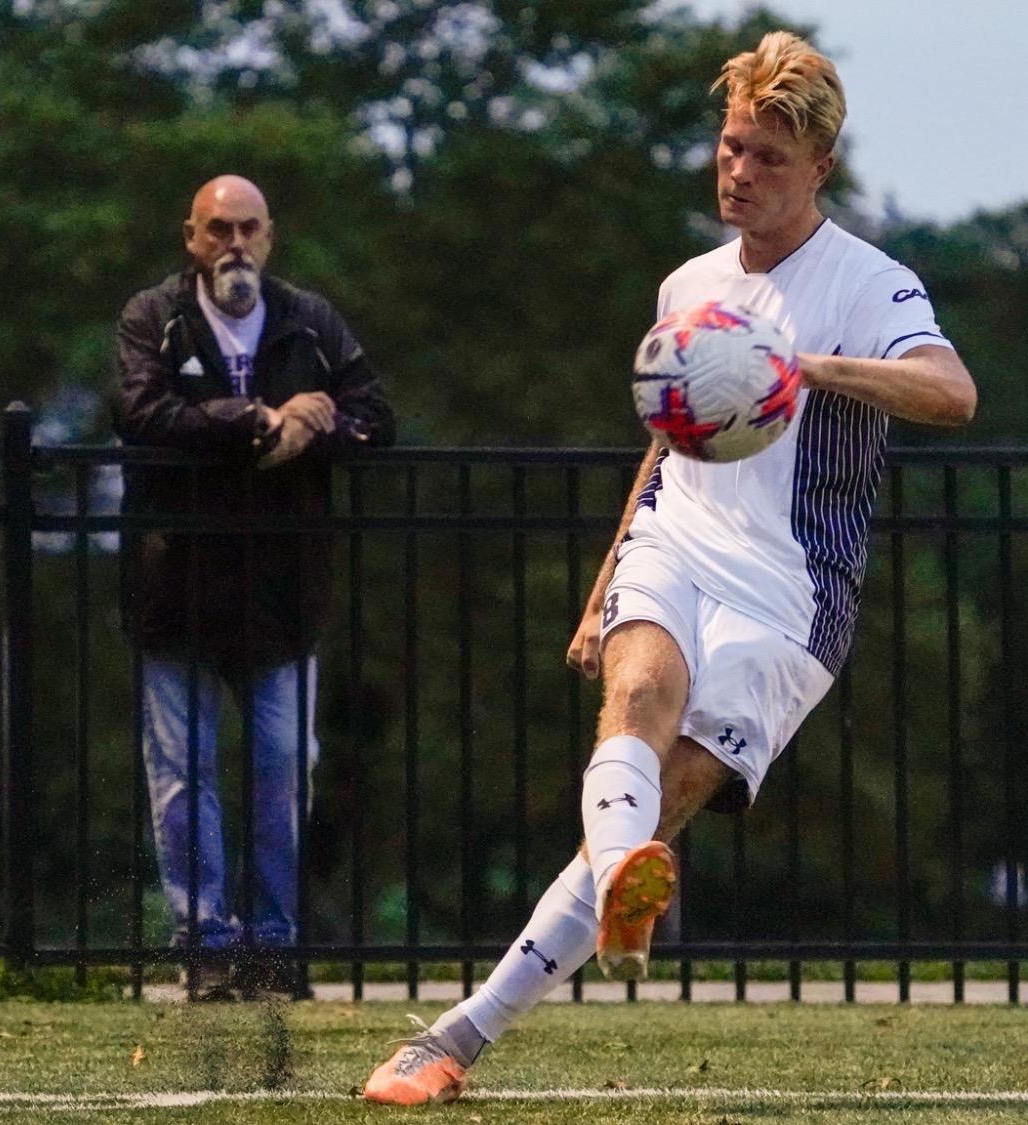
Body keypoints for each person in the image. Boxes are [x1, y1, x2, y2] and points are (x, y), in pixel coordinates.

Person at [364, 31, 977, 1103]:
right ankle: (457, 1039)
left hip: (791, 590)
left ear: (818, 168)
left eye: (767, 160)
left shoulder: (870, 285)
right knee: (636, 693)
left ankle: (550, 946)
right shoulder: (686, 283)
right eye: (730, 149)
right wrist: (609, 573)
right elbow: (665, 435)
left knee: (671, 787)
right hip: (676, 541)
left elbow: (951, 394)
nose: (737, 174)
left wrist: (808, 372)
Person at [114, 175, 394, 1001]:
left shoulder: (311, 320)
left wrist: (321, 423)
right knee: (182, 775)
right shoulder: (153, 318)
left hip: (283, 592)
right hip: (177, 588)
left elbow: (378, 414)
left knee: (283, 768)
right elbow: (139, 412)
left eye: (249, 229)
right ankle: (204, 945)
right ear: (192, 238)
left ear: (270, 237)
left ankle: (272, 948)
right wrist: (258, 421)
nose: (235, 244)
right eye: (218, 229)